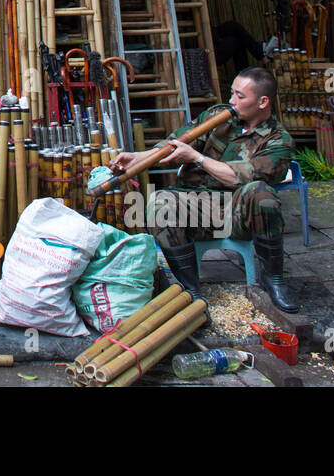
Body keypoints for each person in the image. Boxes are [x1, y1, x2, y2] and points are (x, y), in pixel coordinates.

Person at [99, 66, 299, 313]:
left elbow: (240, 176)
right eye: (231, 93)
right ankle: (190, 289)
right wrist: (137, 157)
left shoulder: (279, 140)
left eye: (240, 96)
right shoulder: (218, 116)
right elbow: (176, 145)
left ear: (263, 102)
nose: (231, 101)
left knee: (262, 194)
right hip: (197, 205)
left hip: (236, 211)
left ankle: (274, 280)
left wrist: (197, 158)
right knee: (161, 201)